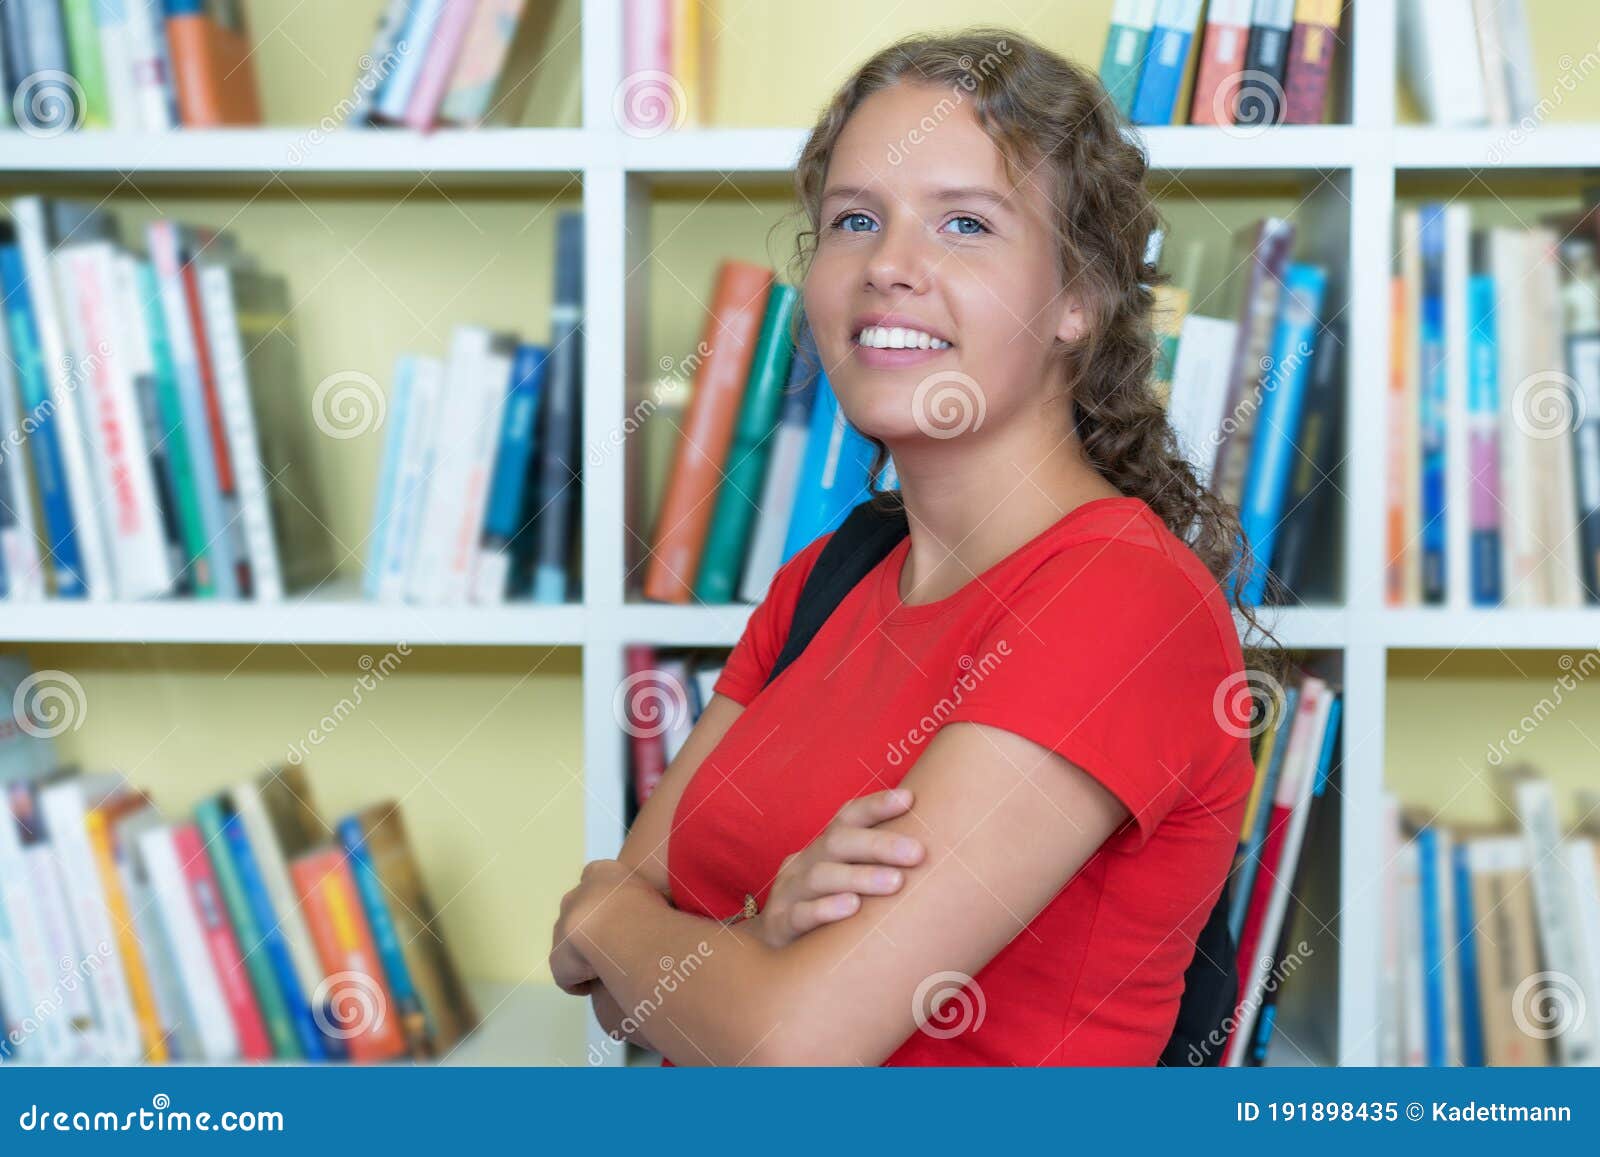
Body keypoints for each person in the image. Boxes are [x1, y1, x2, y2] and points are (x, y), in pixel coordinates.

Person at [550, 27, 1286, 1066]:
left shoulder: (1120, 597)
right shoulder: (827, 577)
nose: (889, 266)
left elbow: (785, 1046)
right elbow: (612, 1001)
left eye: (965, 224)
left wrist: (615, 922)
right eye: (853, 219)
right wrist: (749, 939)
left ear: (1080, 297)